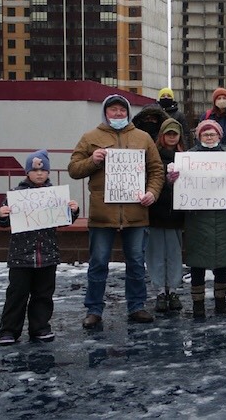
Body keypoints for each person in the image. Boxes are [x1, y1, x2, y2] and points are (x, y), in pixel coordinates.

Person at [68, 94, 164, 328]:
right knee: (98, 262)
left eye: (122, 110)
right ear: (105, 112)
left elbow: (156, 170)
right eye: (114, 110)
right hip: (103, 215)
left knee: (136, 262)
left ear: (128, 113)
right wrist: (93, 160)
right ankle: (94, 309)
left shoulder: (142, 138)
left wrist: (152, 192)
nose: (118, 114)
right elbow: (74, 168)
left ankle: (137, 306)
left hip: (136, 213)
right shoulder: (91, 137)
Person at [0, 150, 80, 345]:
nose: (39, 174)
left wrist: (73, 211)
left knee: (43, 295)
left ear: (48, 172)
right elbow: (1, 222)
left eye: (43, 170)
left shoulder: (54, 195)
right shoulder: (16, 194)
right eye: (34, 170)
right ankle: (8, 331)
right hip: (20, 257)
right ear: (27, 172)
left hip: (47, 255)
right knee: (17, 295)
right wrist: (1, 213)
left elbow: (65, 221)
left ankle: (40, 327)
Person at [168, 120, 226, 318]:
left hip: (223, 218)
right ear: (199, 137)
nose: (209, 138)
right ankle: (198, 304)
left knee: (222, 262)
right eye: (205, 134)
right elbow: (177, 188)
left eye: (213, 134)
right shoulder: (189, 157)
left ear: (220, 136)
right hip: (197, 219)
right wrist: (174, 180)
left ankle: (221, 301)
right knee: (197, 263)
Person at [147, 119, 185, 313]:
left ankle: (174, 290)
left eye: (174, 133)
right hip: (155, 213)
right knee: (156, 254)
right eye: (168, 133)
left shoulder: (186, 158)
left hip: (176, 214)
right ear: (162, 135)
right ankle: (160, 291)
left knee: (174, 254)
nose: (171, 137)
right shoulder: (151, 156)